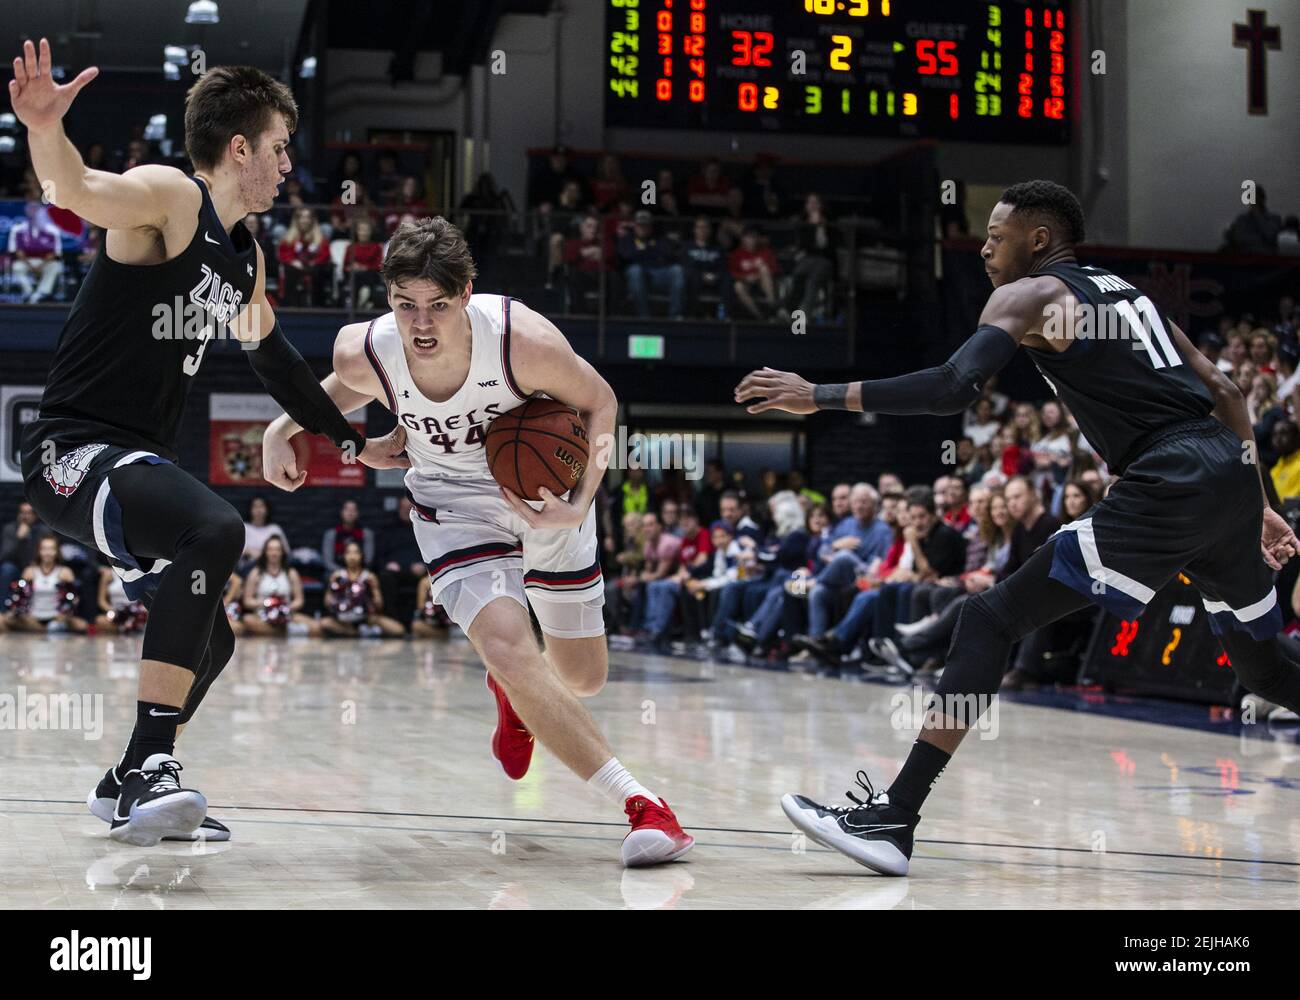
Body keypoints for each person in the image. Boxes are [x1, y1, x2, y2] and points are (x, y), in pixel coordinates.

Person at [738, 179, 1300, 876]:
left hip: (1171, 474)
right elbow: (1227, 391)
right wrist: (1261, 501)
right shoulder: (1132, 295)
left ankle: (894, 816)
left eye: (997, 237)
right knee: (1269, 669)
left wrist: (818, 396)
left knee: (989, 619)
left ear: (1038, 240)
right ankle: (892, 816)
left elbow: (952, 387)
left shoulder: (1030, 296)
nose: (984, 249)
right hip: (1223, 471)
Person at [13, 41, 406, 847]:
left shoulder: (245, 257)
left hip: (127, 466)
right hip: (69, 454)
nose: (289, 165)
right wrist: (45, 130)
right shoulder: (171, 199)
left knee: (213, 639)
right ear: (240, 149)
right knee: (217, 527)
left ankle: (125, 779)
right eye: (279, 148)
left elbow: (272, 356)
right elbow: (77, 189)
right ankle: (153, 769)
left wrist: (350, 440)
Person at [260, 215, 693, 866]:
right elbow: (338, 391)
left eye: (437, 305)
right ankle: (644, 806)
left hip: (545, 499)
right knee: (506, 645)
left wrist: (577, 503)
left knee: (583, 676)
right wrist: (285, 433)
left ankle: (515, 695)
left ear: (466, 294)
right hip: (452, 505)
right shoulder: (368, 349)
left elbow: (601, 402)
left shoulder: (524, 342)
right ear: (389, 301)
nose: (422, 324)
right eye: (406, 306)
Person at [320, 539, 405, 637]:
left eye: (356, 553)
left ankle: (361, 631)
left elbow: (379, 604)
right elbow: (327, 601)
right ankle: (355, 632)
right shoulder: (337, 576)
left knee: (398, 629)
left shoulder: (369, 577)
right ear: (344, 556)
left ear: (361, 555)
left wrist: (370, 599)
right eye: (348, 553)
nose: (352, 557)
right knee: (324, 623)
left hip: (365, 618)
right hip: (343, 619)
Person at [6, 535, 87, 632]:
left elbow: (74, 599)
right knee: (3, 619)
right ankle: (44, 629)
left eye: (51, 549)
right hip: (32, 617)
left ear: (57, 551)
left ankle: (45, 629)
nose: (47, 553)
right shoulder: (29, 571)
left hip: (57, 617)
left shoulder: (65, 572)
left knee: (82, 625)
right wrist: (22, 613)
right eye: (44, 549)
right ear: (39, 551)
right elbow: (19, 598)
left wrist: (65, 614)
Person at [240, 534, 318, 636]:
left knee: (316, 627)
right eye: (270, 549)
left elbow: (299, 600)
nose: (274, 553)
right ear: (265, 552)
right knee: (247, 620)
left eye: (277, 550)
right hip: (262, 616)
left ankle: (274, 632)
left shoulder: (291, 573)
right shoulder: (256, 573)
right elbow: (247, 601)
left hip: (287, 615)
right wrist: (267, 603)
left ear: (282, 552)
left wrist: (286, 607)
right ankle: (287, 632)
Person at [1, 500, 52, 594]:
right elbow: (5, 556)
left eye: (29, 513)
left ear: (35, 516)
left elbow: (50, 552)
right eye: (22, 512)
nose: (25, 516)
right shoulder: (9, 529)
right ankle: (2, 607)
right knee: (6, 569)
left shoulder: (43, 531)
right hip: (15, 566)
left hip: (36, 566)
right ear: (18, 514)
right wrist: (19, 539)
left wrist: (37, 564)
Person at [322, 499, 374, 573]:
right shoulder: (331, 534)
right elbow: (328, 562)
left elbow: (368, 560)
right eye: (347, 509)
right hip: (337, 571)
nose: (350, 513)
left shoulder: (366, 534)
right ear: (341, 513)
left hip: (360, 572)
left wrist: (356, 573)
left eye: (353, 510)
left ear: (357, 513)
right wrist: (344, 573)